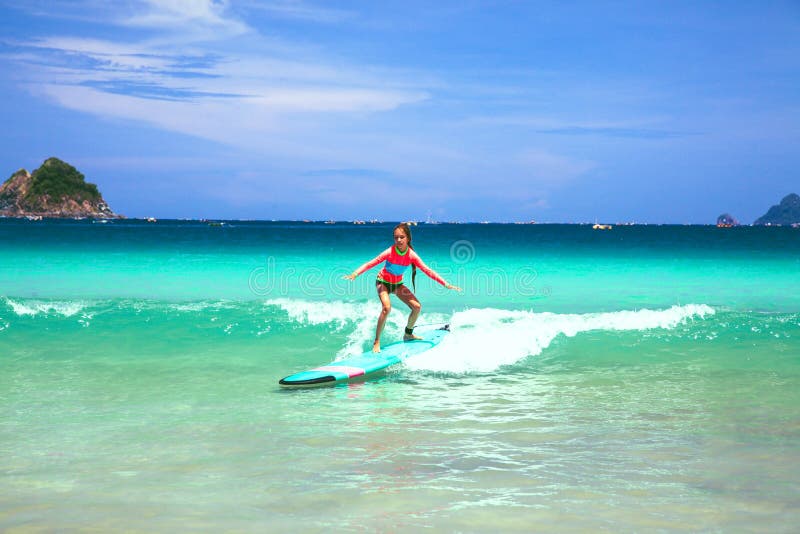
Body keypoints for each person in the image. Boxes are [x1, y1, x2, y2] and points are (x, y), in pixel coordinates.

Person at [344, 223, 461, 352]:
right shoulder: (390, 252)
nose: (398, 240)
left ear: (408, 238)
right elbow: (371, 263)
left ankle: (408, 334)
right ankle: (376, 341)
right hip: (382, 282)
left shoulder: (411, 255)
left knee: (417, 307)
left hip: (397, 285)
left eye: (402, 237)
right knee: (386, 308)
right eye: (396, 237)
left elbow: (428, 270)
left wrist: (446, 284)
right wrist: (355, 274)